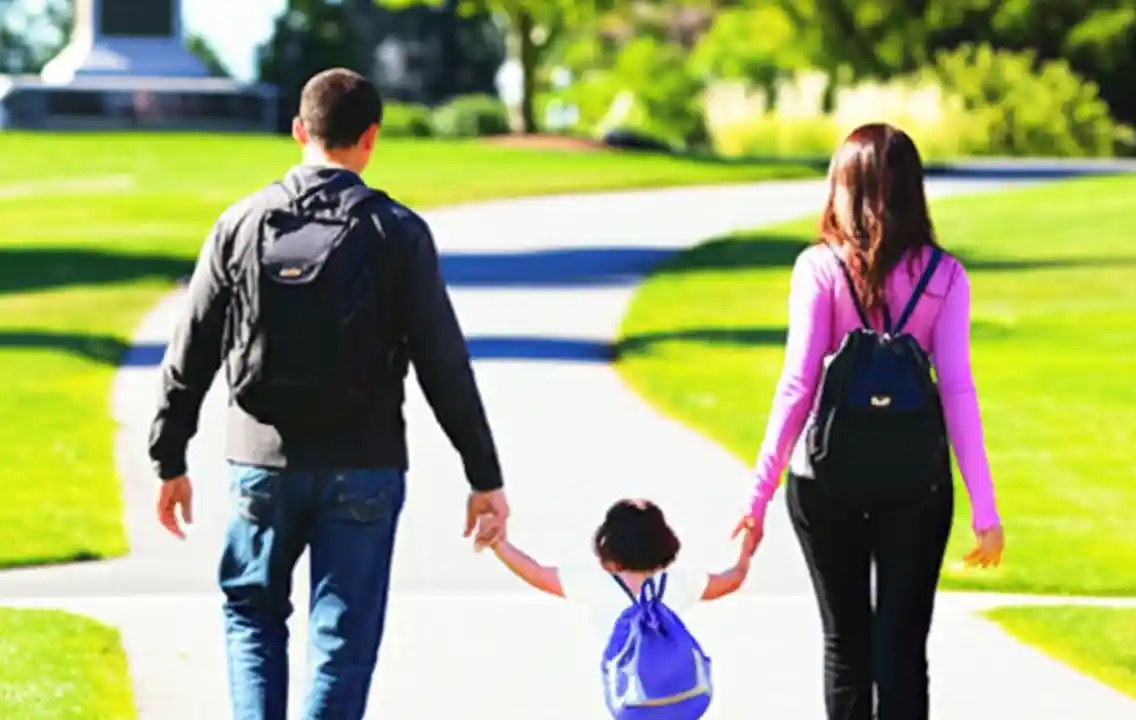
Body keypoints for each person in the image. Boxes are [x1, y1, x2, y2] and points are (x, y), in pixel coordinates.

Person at [148, 67, 510, 720]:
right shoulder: (396, 232)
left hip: (261, 462)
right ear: (371, 138)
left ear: (298, 131)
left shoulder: (240, 223)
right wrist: (484, 476)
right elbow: (443, 365)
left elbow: (189, 353)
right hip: (365, 464)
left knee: (252, 615)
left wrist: (168, 459)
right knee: (343, 643)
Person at [732, 123, 1005, 719]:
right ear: (913, 190)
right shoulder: (945, 276)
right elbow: (957, 389)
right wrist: (985, 510)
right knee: (903, 651)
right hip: (917, 485)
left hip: (824, 483)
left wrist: (756, 498)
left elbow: (799, 385)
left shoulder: (818, 269)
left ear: (841, 189)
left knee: (846, 647)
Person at [474, 499, 753, 719]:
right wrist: (746, 549)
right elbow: (732, 580)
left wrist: (499, 544)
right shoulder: (679, 582)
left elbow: (534, 572)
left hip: (632, 701)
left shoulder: (593, 583)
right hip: (678, 699)